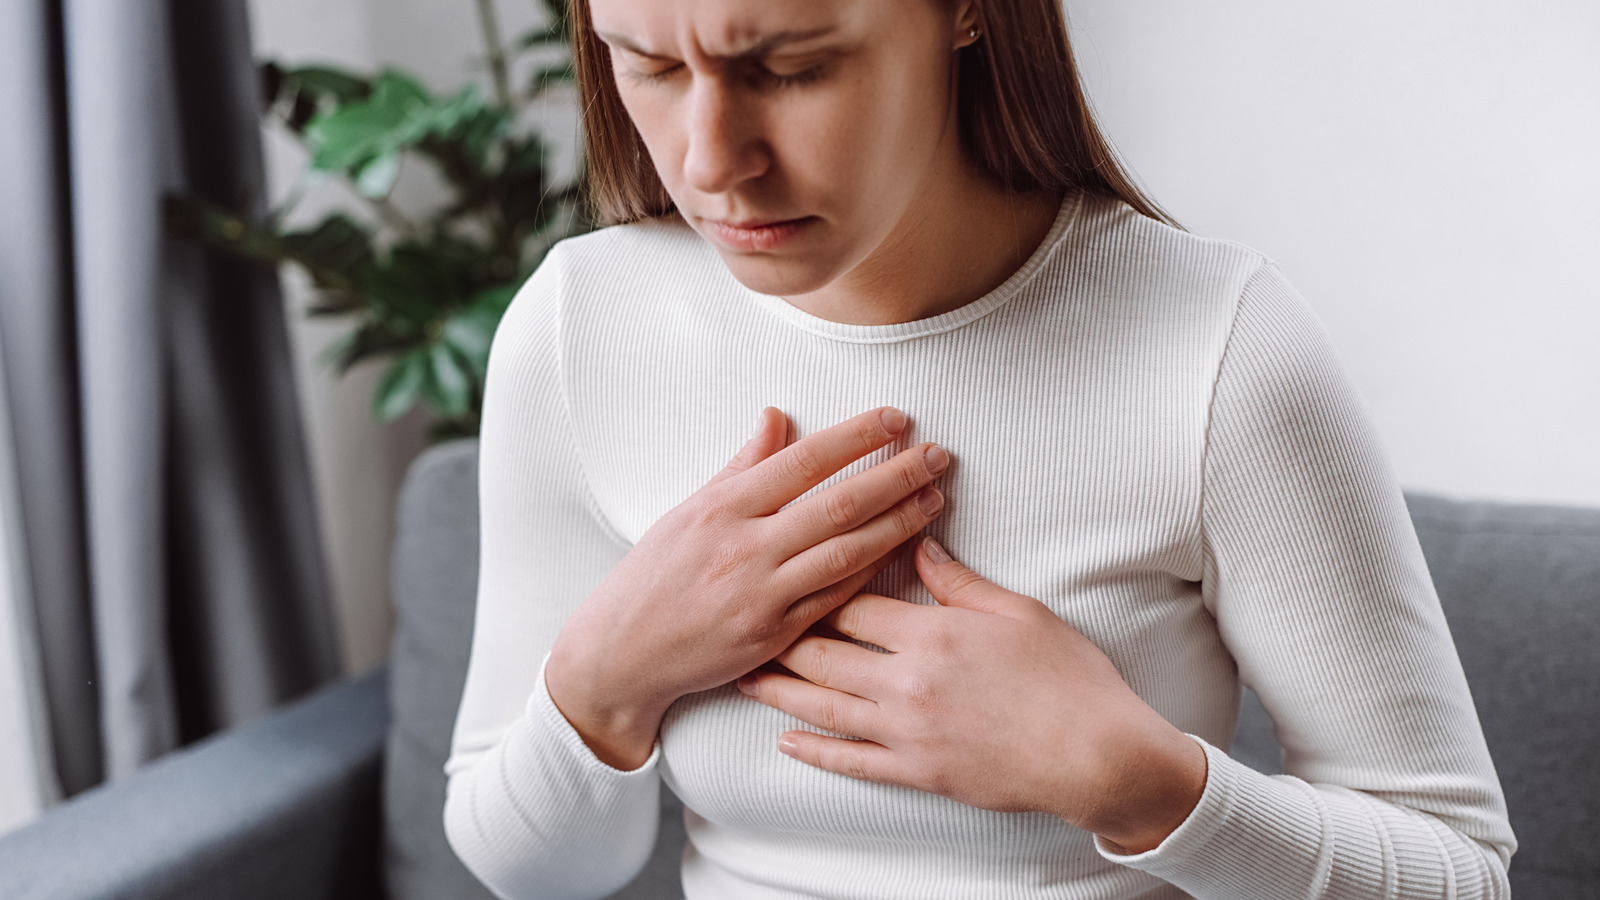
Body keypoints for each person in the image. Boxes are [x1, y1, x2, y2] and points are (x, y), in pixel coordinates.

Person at [442, 0, 1517, 897]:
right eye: (650, 65)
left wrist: (1133, 781)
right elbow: (538, 875)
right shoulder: (581, 326)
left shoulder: (1219, 347)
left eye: (794, 68)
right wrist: (608, 679)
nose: (711, 160)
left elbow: (1461, 873)